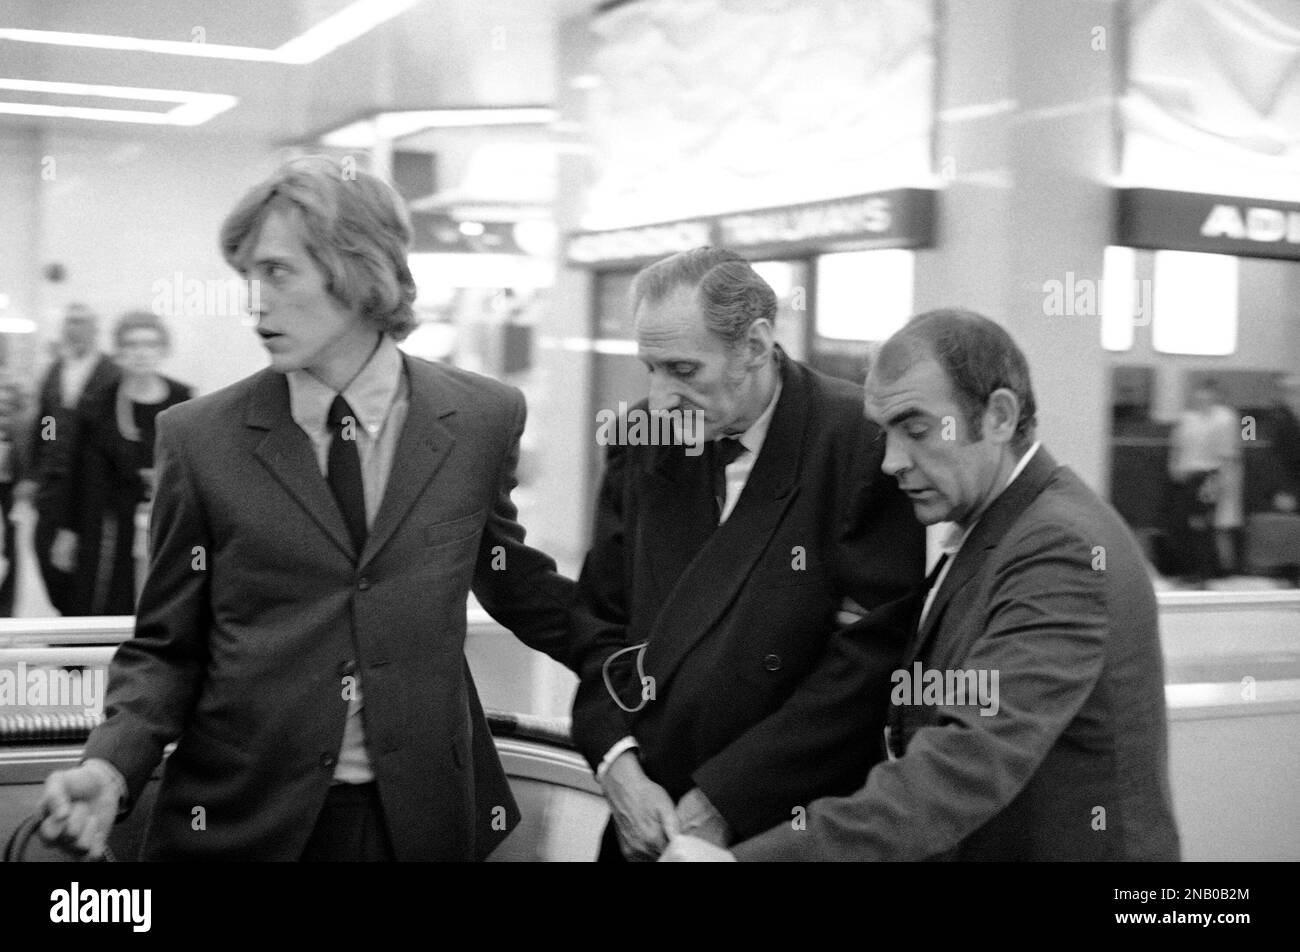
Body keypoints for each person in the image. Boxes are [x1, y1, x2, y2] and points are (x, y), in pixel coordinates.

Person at [38, 155, 576, 861]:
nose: (255, 303)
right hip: (243, 822)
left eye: (279, 272)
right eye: (248, 278)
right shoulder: (200, 438)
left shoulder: (481, 417)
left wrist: (645, 659)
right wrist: (110, 764)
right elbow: (169, 647)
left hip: (419, 823)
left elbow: (514, 581)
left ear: (356, 269)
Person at [662, 308, 1180, 861]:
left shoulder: (1061, 549)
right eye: (883, 434)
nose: (890, 461)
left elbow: (965, 764)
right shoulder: (997, 531)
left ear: (999, 416)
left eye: (915, 430)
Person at [570, 247, 924, 862]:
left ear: (756, 345)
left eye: (683, 369)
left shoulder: (858, 443)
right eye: (650, 369)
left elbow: (866, 664)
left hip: (780, 823)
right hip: (645, 812)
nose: (661, 398)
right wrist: (616, 765)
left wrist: (723, 799)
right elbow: (600, 623)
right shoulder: (644, 435)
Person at [51, 312, 193, 615]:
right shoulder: (96, 404)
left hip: (164, 523)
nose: (141, 353)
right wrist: (67, 530)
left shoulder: (185, 402)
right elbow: (74, 473)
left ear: (163, 349)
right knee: (102, 600)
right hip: (106, 525)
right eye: (132, 345)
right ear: (119, 351)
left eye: (150, 344)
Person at [24, 303, 121, 614]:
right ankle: (65, 623)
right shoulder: (55, 370)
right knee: (44, 554)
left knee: (84, 569)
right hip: (52, 489)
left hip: (90, 490)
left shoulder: (111, 373)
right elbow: (47, 423)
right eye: (70, 323)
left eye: (82, 322)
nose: (75, 329)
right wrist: (39, 466)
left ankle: (77, 644)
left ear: (95, 329)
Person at [1165, 379, 1241, 581]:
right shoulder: (1186, 418)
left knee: (1203, 524)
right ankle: (1188, 570)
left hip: (1210, 475)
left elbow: (1228, 453)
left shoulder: (1225, 418)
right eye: (1199, 394)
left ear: (1214, 396)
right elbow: (1176, 447)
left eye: (1207, 394)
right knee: (1185, 524)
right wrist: (1174, 467)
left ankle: (1206, 572)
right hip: (1186, 476)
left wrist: (1222, 482)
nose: (1202, 399)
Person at [0, 379, 33, 616]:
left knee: (11, 549)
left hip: (13, 491)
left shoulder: (36, 417)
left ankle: (6, 611)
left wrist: (39, 474)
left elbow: (49, 432)